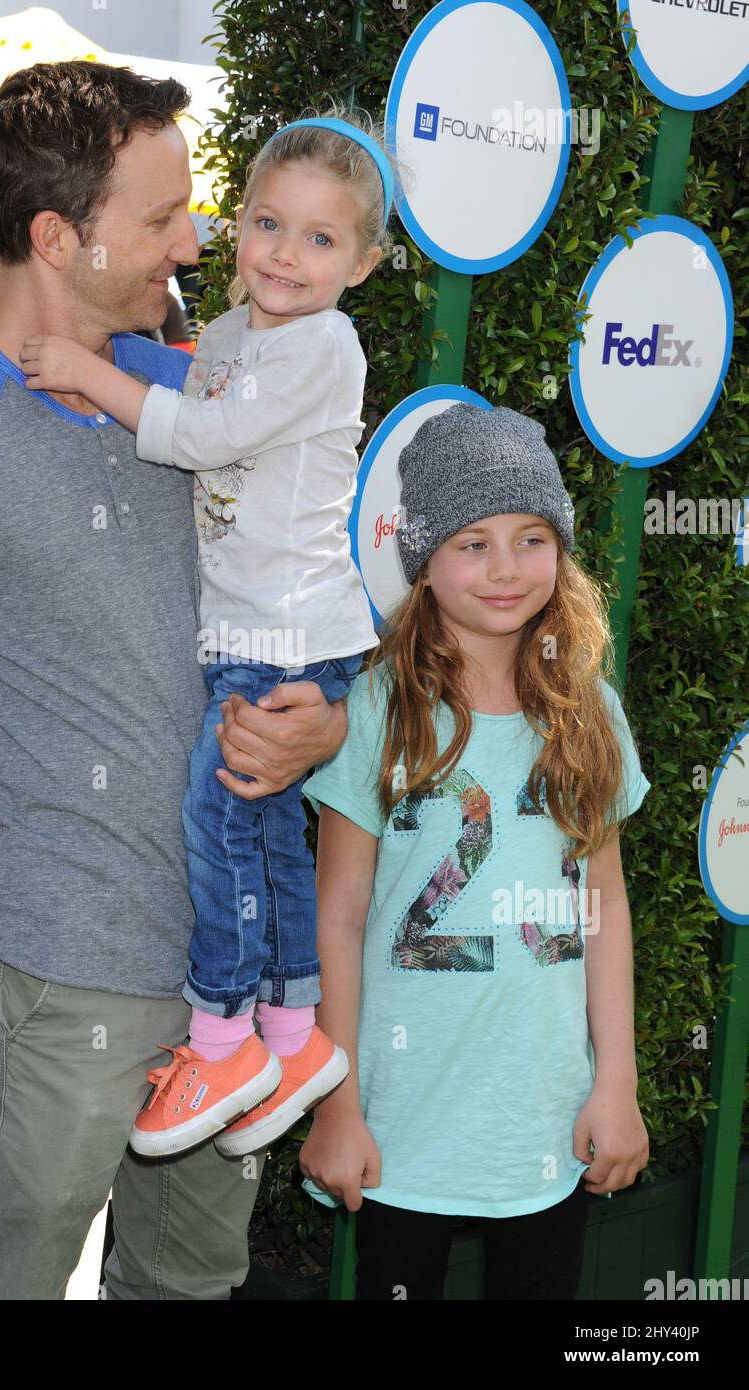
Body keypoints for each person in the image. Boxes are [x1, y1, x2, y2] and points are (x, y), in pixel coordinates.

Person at [0, 59, 349, 1301]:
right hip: (55, 978)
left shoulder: (203, 390)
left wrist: (328, 717)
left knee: (190, 1286)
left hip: (232, 979)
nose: (199, 241)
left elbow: (320, 594)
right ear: (58, 235)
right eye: (163, 217)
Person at [18, 110, 393, 1160]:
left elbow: (207, 433)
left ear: (362, 263)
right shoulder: (235, 337)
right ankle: (291, 1031)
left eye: (322, 239)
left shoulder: (323, 343)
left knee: (217, 814)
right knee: (268, 827)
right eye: (269, 223)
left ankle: (223, 1033)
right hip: (253, 626)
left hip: (283, 630)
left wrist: (88, 373)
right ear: (237, 228)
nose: (286, 253)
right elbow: (195, 373)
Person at [297, 403, 652, 1300]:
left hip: (542, 1120)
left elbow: (603, 914)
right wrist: (335, 1103)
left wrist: (618, 1087)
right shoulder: (375, 708)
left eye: (531, 538)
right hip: (401, 1118)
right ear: (423, 561)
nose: (505, 569)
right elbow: (336, 919)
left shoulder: (588, 713)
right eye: (472, 543)